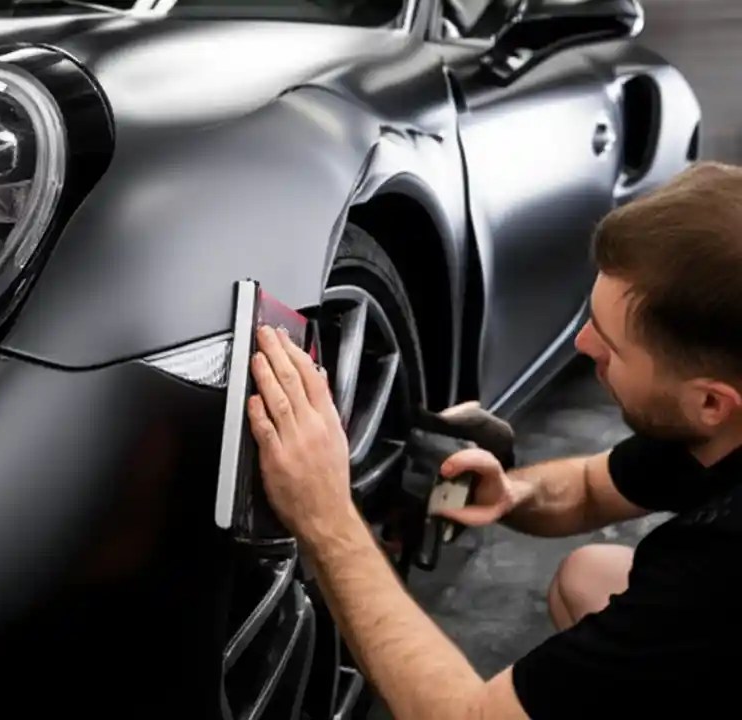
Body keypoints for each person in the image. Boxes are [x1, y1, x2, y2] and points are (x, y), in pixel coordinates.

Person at [246, 160, 742, 719]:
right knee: (590, 577)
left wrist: (325, 518)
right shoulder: (716, 428)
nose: (583, 344)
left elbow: (472, 716)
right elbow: (588, 488)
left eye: (612, 344)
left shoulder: (715, 569)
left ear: (710, 402)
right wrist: (512, 495)